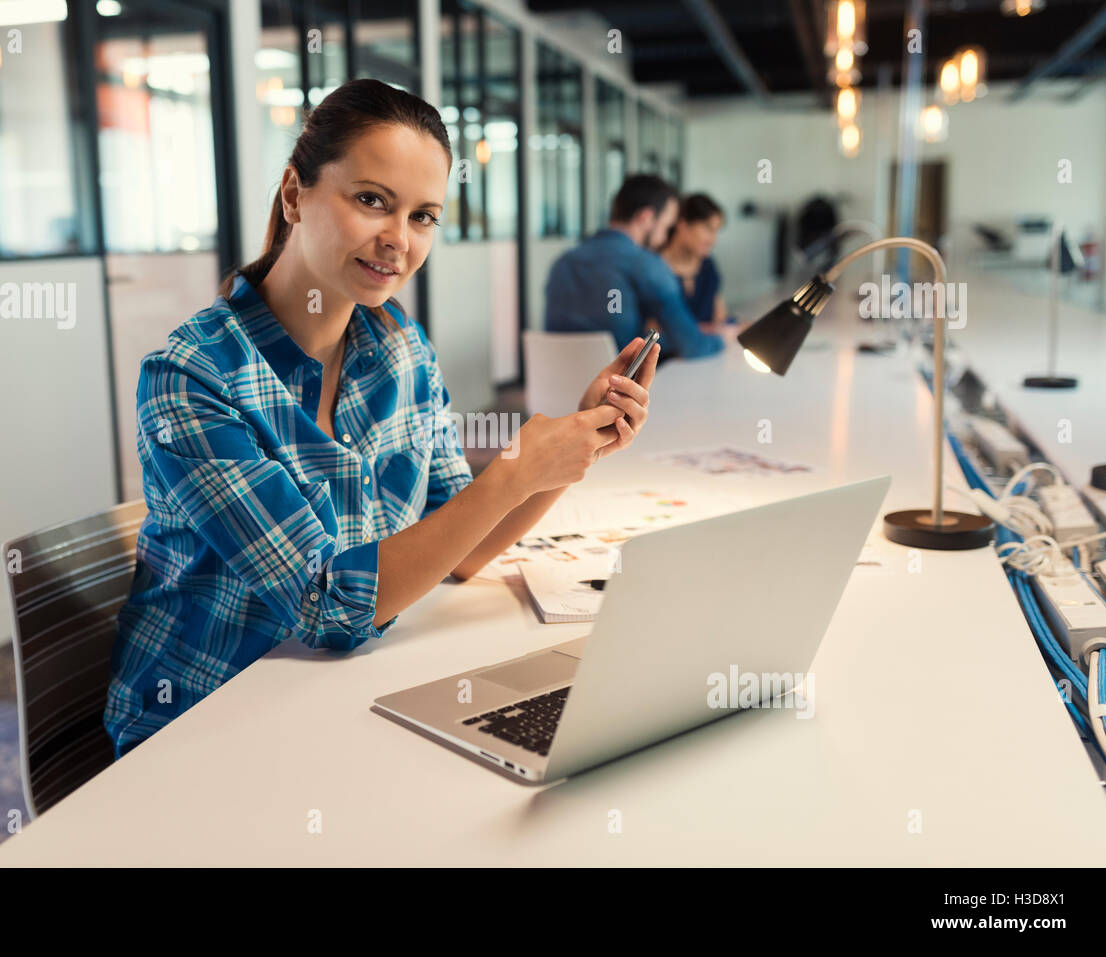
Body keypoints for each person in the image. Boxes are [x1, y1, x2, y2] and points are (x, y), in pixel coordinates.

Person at [104, 79, 660, 758]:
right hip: (201, 733)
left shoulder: (401, 350)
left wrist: (570, 451)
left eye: (424, 215)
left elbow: (463, 549)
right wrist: (512, 471)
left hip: (340, 695)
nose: (398, 239)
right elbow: (328, 606)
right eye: (372, 200)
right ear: (293, 194)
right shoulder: (193, 377)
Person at [543, 174, 724, 361]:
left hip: (559, 385)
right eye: (665, 227)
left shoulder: (563, 262)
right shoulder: (647, 264)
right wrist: (722, 338)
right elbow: (692, 346)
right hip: (619, 384)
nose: (663, 238)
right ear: (645, 218)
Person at [661, 192, 733, 331]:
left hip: (708, 352)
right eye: (707, 228)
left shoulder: (708, 266)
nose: (713, 240)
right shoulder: (654, 267)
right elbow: (653, 329)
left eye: (716, 231)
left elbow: (720, 320)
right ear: (682, 224)